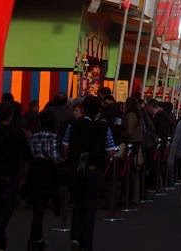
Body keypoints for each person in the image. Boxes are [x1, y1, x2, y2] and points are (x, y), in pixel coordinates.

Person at [62, 95, 117, 251]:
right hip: (94, 170)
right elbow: (111, 151)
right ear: (98, 110)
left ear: (84, 109)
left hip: (77, 169)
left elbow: (65, 148)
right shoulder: (103, 127)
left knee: (77, 204)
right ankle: (86, 241)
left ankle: (75, 237)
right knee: (90, 207)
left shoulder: (73, 125)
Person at [0, 101, 31, 251]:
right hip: (11, 172)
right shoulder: (17, 132)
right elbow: (26, 154)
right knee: (7, 207)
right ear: (11, 114)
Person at [25, 112, 62, 251]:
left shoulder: (33, 136)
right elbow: (54, 156)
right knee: (41, 208)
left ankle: (36, 239)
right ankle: (35, 239)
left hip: (34, 171)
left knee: (37, 208)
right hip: (47, 172)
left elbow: (30, 152)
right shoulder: (53, 137)